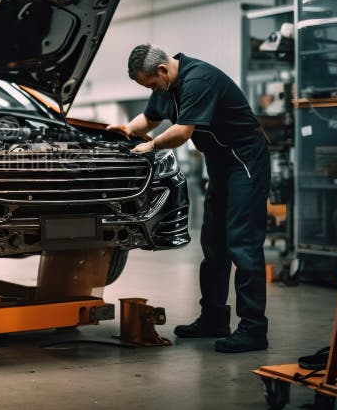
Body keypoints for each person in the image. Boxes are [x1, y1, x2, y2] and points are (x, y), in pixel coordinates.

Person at [107, 44, 270, 353]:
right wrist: (127, 130)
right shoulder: (166, 85)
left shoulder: (199, 79)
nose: (153, 90)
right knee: (213, 243)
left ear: (162, 71)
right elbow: (150, 117)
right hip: (221, 164)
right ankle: (213, 320)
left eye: (152, 85)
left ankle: (253, 330)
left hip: (245, 161)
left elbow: (182, 132)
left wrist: (150, 146)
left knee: (243, 243)